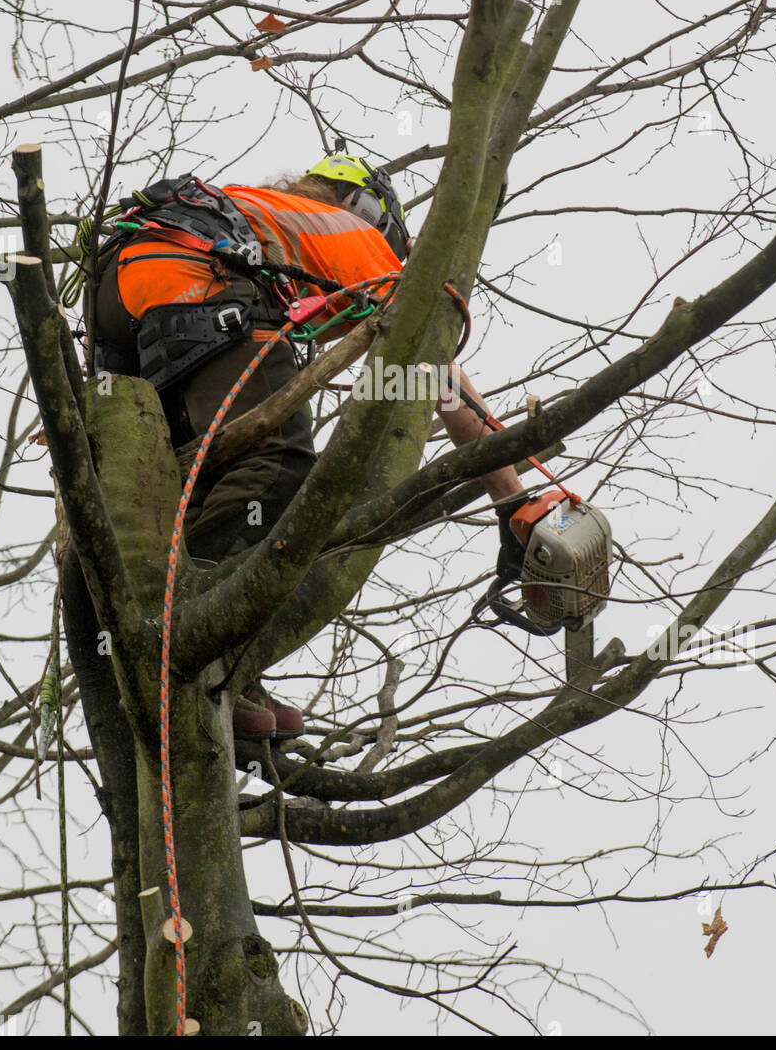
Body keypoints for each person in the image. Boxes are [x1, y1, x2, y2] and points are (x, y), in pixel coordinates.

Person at [92, 151, 526, 743]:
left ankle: (228, 673)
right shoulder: (344, 229)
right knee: (275, 464)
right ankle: (195, 634)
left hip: (120, 293)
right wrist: (513, 499)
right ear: (363, 207)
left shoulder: (260, 213)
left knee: (193, 483)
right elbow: (428, 357)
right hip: (195, 282)